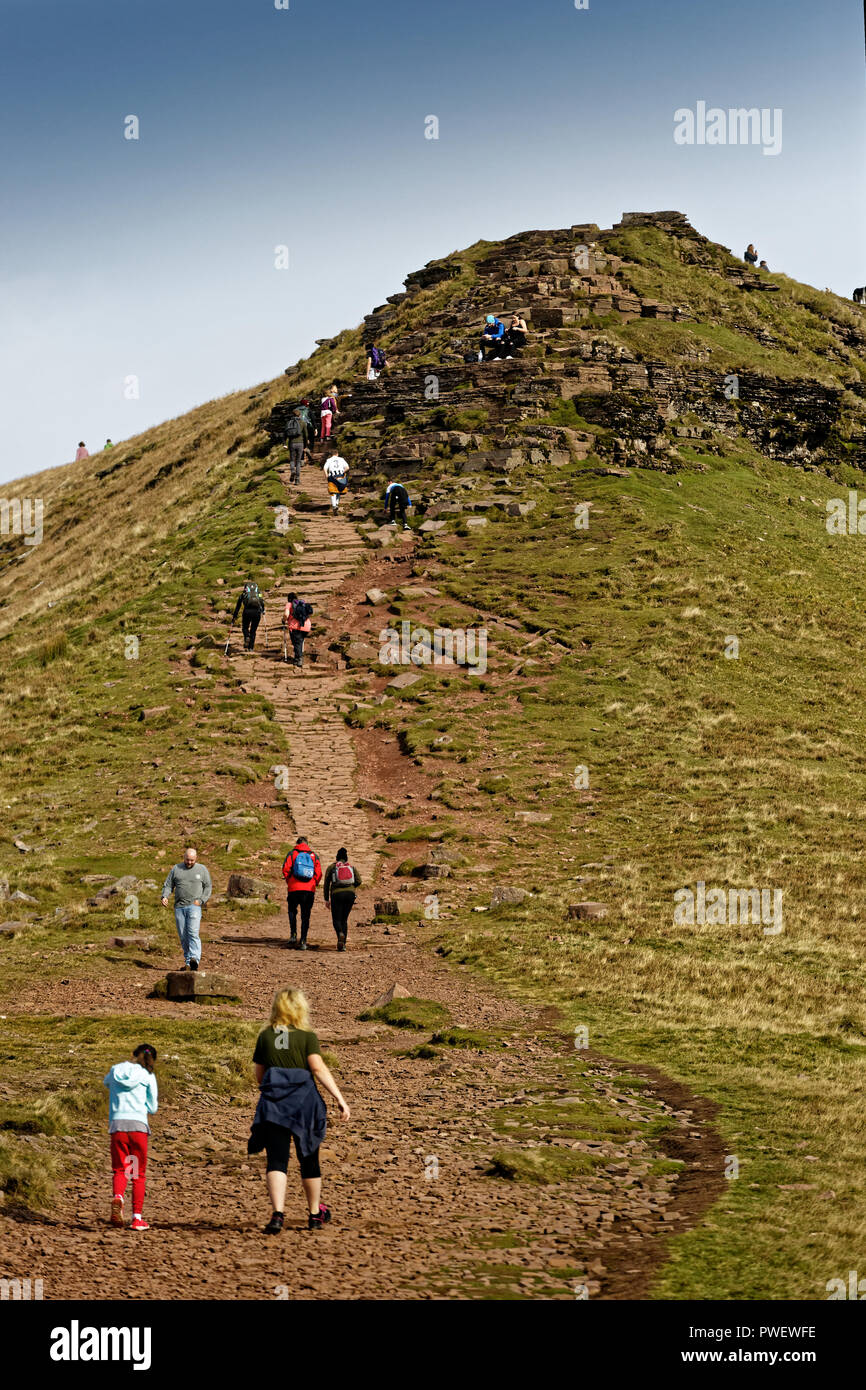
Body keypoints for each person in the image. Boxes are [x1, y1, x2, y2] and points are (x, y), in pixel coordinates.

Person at [249, 987, 350, 1233]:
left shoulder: (266, 1036)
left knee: (276, 1160)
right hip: (305, 1105)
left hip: (274, 1106)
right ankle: (315, 1214)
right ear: (300, 1008)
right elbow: (317, 1068)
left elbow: (260, 1076)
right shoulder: (307, 1037)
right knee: (309, 1159)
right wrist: (339, 1098)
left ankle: (277, 1215)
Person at [104, 1043, 158, 1231]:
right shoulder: (147, 1076)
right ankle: (136, 1218)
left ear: (133, 1054)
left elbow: (106, 1083)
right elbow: (152, 1107)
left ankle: (118, 1197)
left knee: (120, 1169)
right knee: (137, 1174)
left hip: (118, 1126)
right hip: (138, 1128)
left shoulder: (115, 1070)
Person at [161, 847, 212, 970]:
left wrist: (200, 900)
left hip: (194, 906)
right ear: (183, 857)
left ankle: (195, 959)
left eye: (192, 860)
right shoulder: (176, 869)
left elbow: (208, 886)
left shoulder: (202, 869)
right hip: (179, 907)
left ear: (196, 859)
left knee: (193, 933)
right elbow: (168, 885)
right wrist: (165, 896)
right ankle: (188, 963)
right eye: (187, 860)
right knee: (183, 936)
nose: (189, 862)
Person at [281, 837, 323, 948]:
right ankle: (303, 940)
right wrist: (314, 884)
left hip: (294, 888)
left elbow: (285, 869)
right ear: (307, 844)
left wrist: (290, 882)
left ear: (297, 843)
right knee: (305, 915)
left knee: (292, 911)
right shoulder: (314, 856)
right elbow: (318, 873)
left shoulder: (292, 854)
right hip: (309, 890)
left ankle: (293, 935)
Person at [322, 848, 361, 951]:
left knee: (336, 919)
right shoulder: (351, 867)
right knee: (344, 919)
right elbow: (359, 881)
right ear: (346, 858)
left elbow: (326, 884)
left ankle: (340, 934)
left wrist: (326, 899)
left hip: (336, 895)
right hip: (350, 895)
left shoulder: (332, 867)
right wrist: (352, 887)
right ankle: (343, 945)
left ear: (337, 857)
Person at [232, 580, 266, 651]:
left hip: (247, 612)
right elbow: (261, 601)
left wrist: (234, 616)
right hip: (257, 612)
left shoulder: (243, 594)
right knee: (253, 631)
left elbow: (238, 606)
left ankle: (247, 636)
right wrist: (263, 610)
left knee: (245, 628)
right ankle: (251, 648)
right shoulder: (259, 593)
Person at [284, 592, 312, 668]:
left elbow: (286, 614)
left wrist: (283, 620)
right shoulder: (302, 603)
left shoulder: (289, 604)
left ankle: (299, 659)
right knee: (299, 642)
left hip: (296, 627)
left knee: (297, 643)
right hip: (306, 626)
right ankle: (297, 658)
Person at [285, 409, 309, 484]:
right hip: (300, 443)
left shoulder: (288, 423)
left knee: (292, 460)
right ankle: (297, 480)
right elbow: (306, 435)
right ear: (300, 415)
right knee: (298, 462)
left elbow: (285, 434)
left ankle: (292, 471)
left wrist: (284, 443)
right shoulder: (302, 423)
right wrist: (305, 445)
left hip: (291, 443)